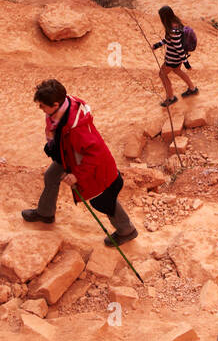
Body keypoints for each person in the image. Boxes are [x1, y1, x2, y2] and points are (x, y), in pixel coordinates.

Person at [22, 79, 138, 247]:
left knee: (104, 200)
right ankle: (45, 213)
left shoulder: (77, 129)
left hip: (94, 168)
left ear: (55, 105)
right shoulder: (63, 106)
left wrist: (76, 175)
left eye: (42, 106)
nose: (40, 108)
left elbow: (94, 154)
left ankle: (126, 230)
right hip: (69, 156)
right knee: (51, 176)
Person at [152, 5, 197, 107]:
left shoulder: (172, 29)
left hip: (173, 58)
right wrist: (157, 45)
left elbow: (178, 47)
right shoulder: (176, 24)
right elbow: (168, 39)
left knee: (162, 74)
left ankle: (170, 98)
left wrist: (186, 63)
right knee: (177, 70)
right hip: (177, 58)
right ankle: (192, 88)